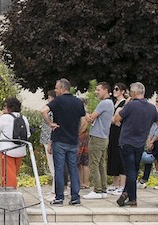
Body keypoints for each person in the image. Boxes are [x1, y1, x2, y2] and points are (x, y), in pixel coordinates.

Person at [113, 83, 157, 207]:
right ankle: (127, 194)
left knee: (130, 172)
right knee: (134, 169)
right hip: (139, 144)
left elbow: (116, 119)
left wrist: (125, 105)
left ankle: (132, 198)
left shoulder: (131, 105)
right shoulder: (151, 108)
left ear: (133, 93)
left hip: (126, 142)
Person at [43, 78, 85, 206]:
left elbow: (43, 110)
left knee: (59, 169)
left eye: (56, 88)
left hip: (60, 139)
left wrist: (50, 123)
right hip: (73, 140)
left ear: (63, 88)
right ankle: (75, 197)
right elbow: (84, 121)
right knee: (73, 168)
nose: (55, 90)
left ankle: (59, 197)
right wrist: (77, 133)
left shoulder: (58, 101)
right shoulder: (78, 102)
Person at [85, 82, 114, 198]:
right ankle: (102, 188)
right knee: (101, 163)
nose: (96, 92)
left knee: (94, 163)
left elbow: (91, 118)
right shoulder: (110, 103)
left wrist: (85, 113)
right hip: (104, 137)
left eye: (98, 90)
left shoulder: (103, 103)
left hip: (97, 137)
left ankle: (97, 190)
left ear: (106, 90)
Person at [0, 96, 29, 189]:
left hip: (6, 150)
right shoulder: (24, 118)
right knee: (14, 173)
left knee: (7, 174)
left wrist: (1, 115)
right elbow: (28, 134)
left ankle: (10, 193)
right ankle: (10, 189)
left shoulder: (5, 118)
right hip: (20, 149)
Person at [107, 83, 129, 194]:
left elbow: (116, 118)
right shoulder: (115, 103)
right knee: (113, 156)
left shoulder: (125, 102)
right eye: (114, 88)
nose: (114, 90)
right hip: (113, 132)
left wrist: (114, 118)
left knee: (120, 157)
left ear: (123, 91)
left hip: (120, 133)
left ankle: (122, 185)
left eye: (117, 89)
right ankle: (115, 183)